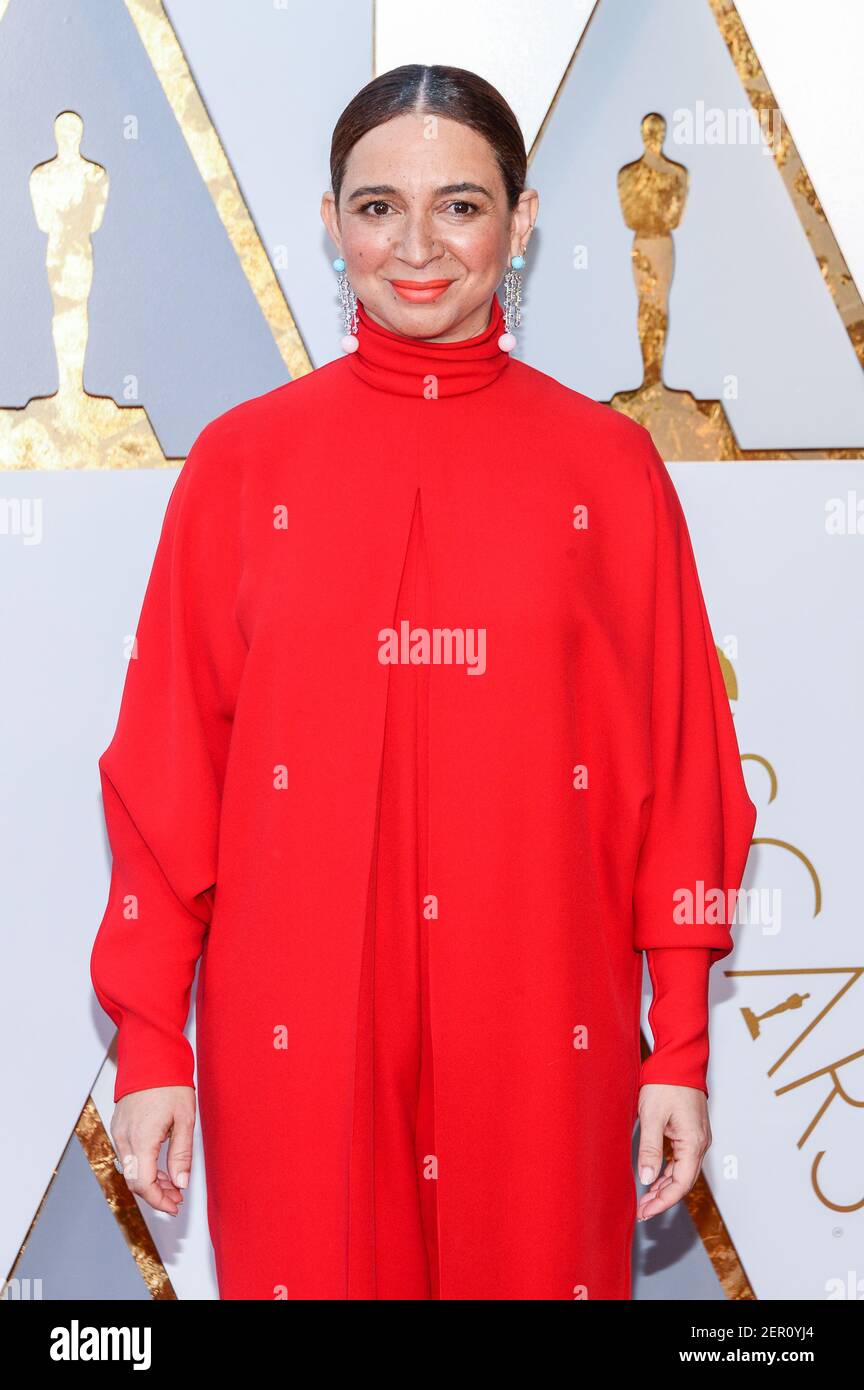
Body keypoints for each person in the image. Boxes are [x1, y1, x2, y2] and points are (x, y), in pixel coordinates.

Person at [90, 64, 757, 1301]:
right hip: (296, 1028)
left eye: (458, 205)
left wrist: (679, 1048)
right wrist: (148, 1041)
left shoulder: (608, 470)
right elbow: (168, 772)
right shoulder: (242, 464)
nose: (415, 248)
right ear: (333, 222)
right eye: (376, 207)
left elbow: (681, 773)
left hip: (545, 1018)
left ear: (523, 219)